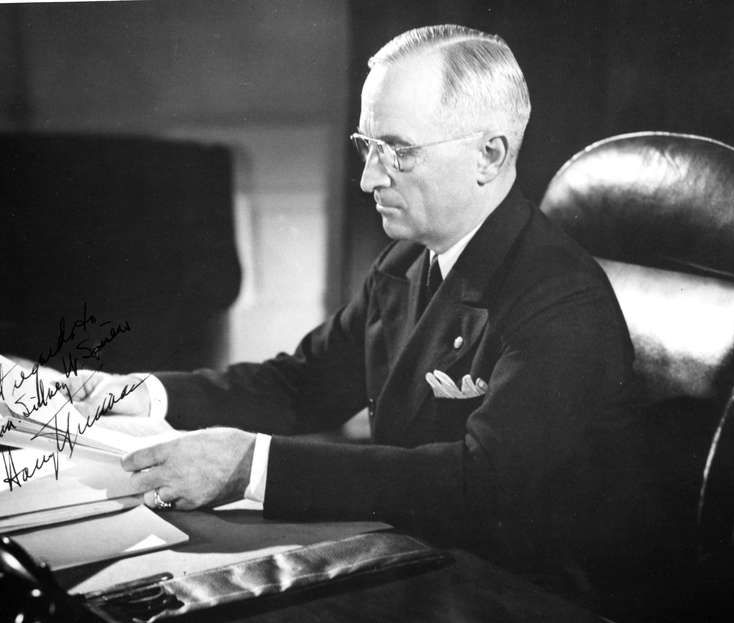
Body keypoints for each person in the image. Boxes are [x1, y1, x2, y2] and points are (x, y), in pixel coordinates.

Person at [73, 25, 641, 599]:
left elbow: (482, 486)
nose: (370, 177)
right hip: (416, 554)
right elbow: (303, 384)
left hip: (512, 591)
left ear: (488, 155)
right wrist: (147, 395)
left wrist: (250, 467)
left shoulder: (563, 299)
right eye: (367, 147)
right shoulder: (406, 260)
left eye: (398, 151)